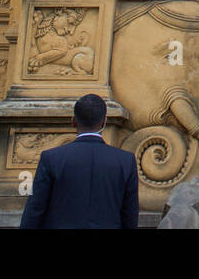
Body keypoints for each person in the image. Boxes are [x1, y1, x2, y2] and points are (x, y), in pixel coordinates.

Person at [19, 94, 139, 229]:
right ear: (104, 122)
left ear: (73, 121)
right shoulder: (126, 161)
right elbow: (130, 215)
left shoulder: (51, 158)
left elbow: (35, 210)